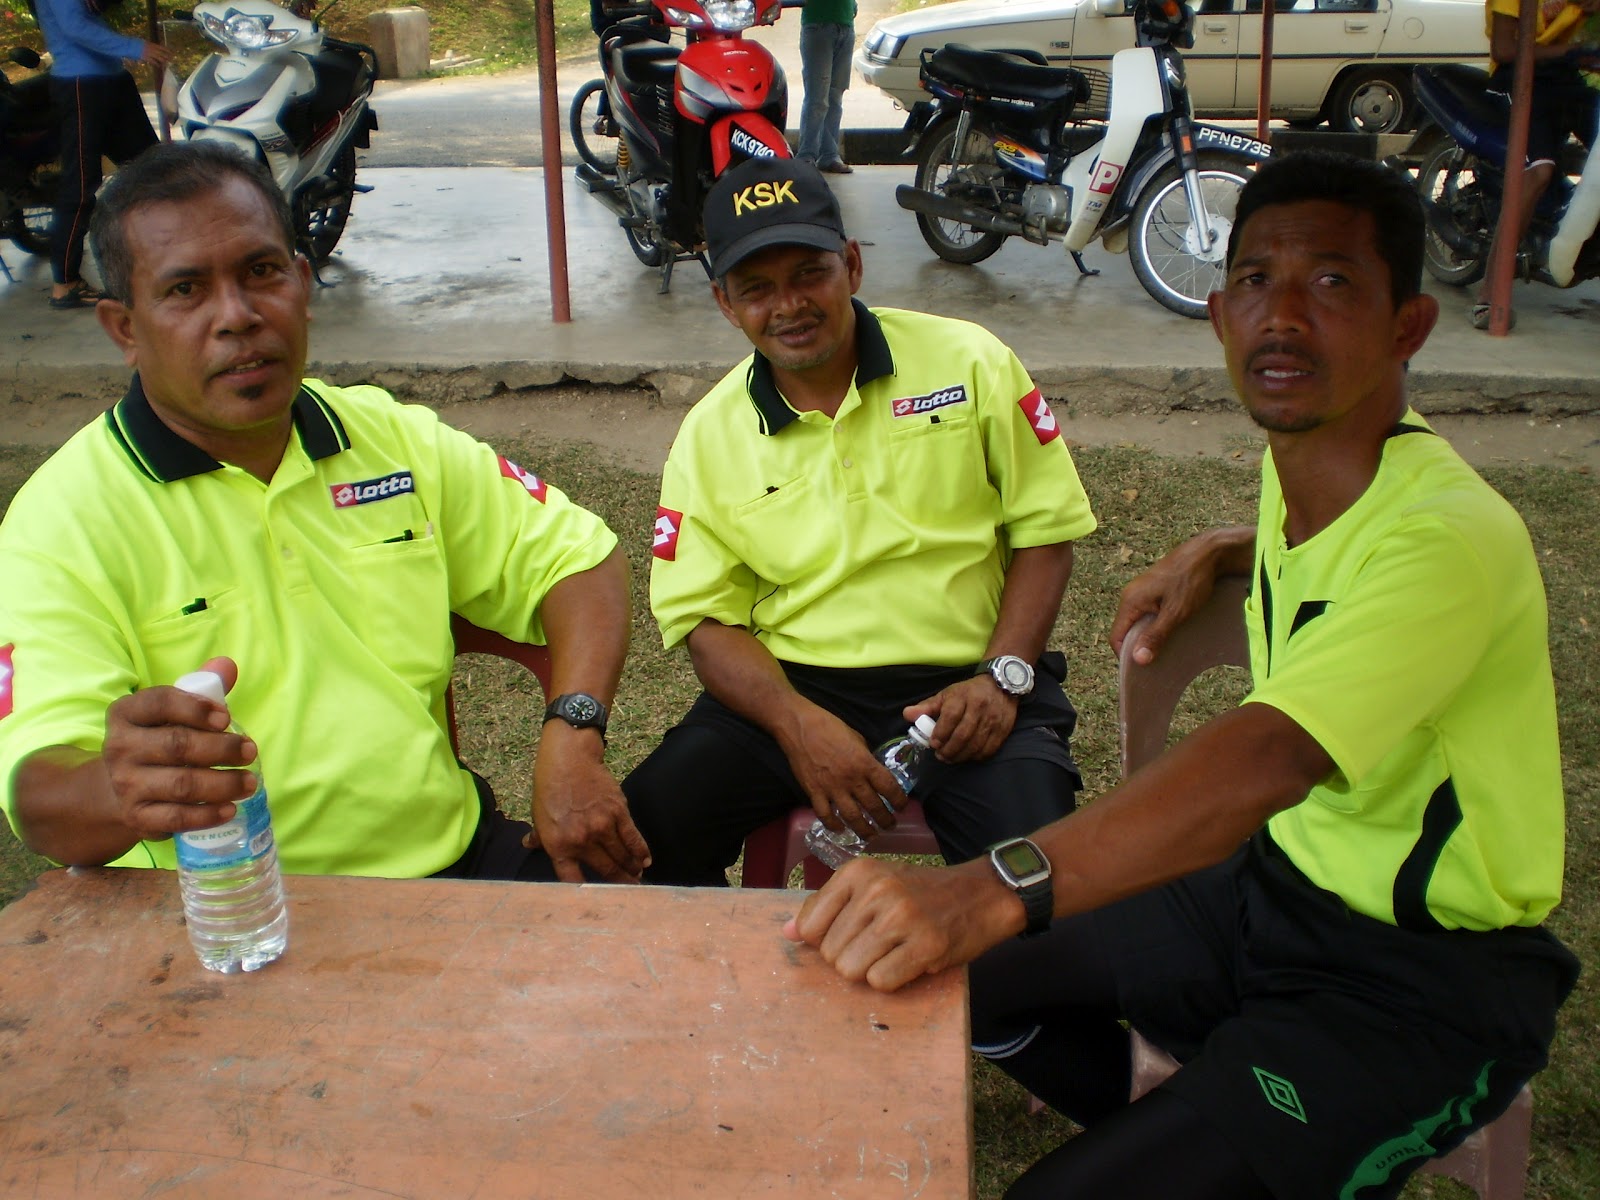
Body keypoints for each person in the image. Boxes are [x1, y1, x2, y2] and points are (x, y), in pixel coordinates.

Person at [783, 150, 1579, 1200]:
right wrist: (1227, 544)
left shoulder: (1449, 542)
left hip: (1418, 982)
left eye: (1332, 282)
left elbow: (1260, 762)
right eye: (1255, 280)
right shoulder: (1316, 471)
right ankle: (1206, 1124)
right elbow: (1344, 557)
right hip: (1270, 892)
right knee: (931, 980)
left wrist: (988, 888)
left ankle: (1242, 1137)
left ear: (1407, 327)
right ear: (1217, 314)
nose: (1282, 316)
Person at [0, 141, 651, 886]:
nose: (238, 316)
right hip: (232, 901)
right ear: (124, 328)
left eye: (261, 272)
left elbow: (581, 561)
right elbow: (40, 793)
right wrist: (117, 788)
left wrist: (572, 734)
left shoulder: (389, 437)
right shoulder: (64, 519)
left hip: (457, 862)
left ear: (302, 283)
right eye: (185, 290)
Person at [622, 156, 1098, 888]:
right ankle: (715, 994)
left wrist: (1002, 680)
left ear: (850, 265)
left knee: (1038, 877)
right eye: (757, 288)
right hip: (795, 687)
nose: (789, 306)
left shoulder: (969, 361)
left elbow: (1046, 529)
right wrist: (795, 723)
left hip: (965, 681)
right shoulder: (710, 433)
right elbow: (706, 622)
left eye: (810, 273)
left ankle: (1024, 1007)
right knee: (646, 829)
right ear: (725, 303)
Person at [30, 0, 171, 309]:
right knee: (81, 184)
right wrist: (135, 47)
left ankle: (164, 255)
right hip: (81, 84)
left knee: (153, 170)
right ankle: (65, 284)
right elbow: (74, 26)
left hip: (112, 78)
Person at [1472, 0, 1600, 328]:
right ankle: (1489, 293)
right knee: (1539, 171)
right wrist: (1571, 50)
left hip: (1565, 79)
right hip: (1516, 77)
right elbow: (1503, 49)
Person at [796, 0, 856, 174]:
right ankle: (806, 155)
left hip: (845, 24)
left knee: (835, 95)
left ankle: (829, 155)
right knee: (817, 97)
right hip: (818, 24)